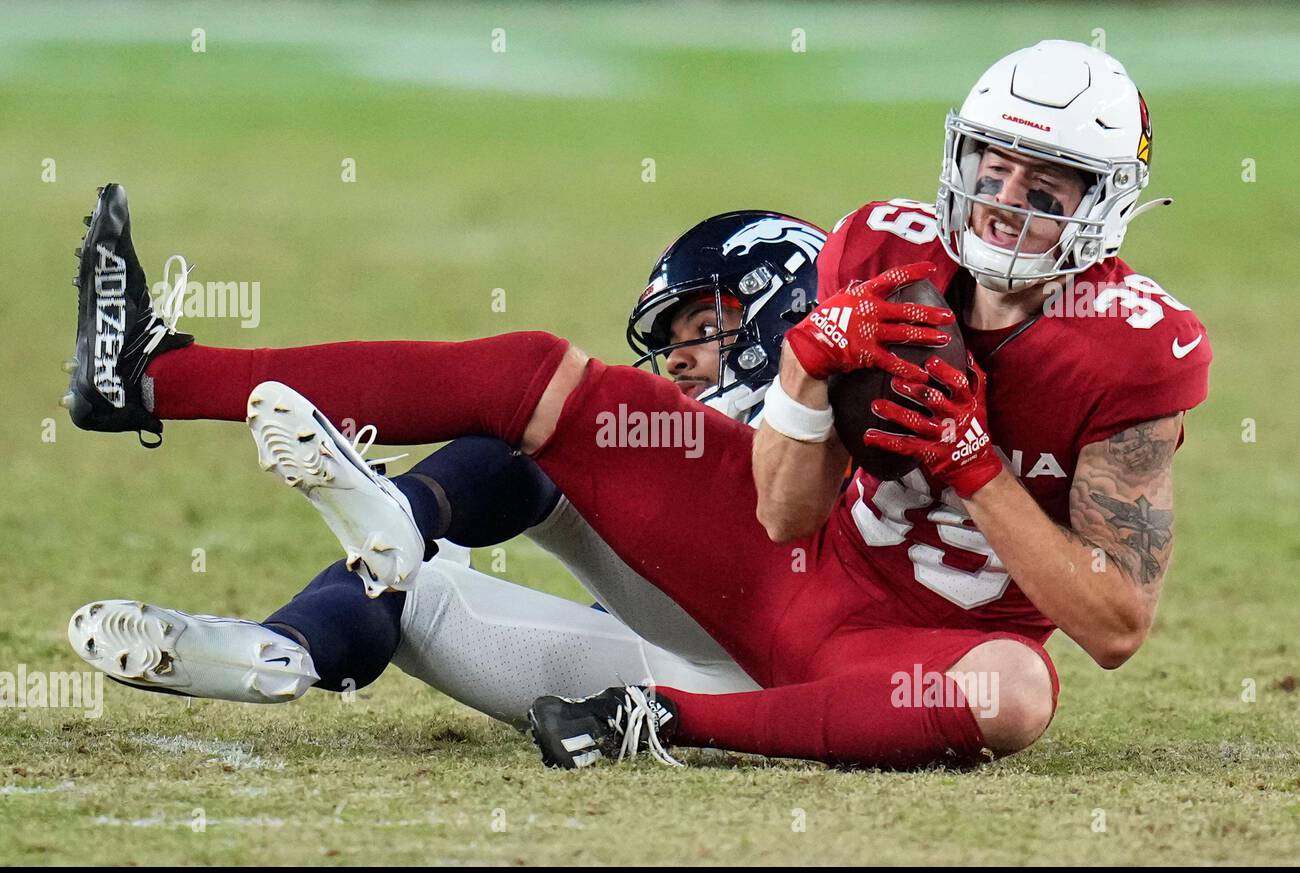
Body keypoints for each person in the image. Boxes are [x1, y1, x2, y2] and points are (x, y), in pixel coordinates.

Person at [64, 39, 1210, 771]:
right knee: (541, 382)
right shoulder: (884, 248)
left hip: (897, 652)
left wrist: (970, 463)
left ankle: (654, 716)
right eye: (990, 164)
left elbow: (1113, 626)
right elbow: (780, 511)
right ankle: (148, 378)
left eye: (1044, 183)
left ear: (1106, 203)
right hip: (790, 562)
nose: (1003, 200)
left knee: (1017, 691)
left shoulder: (1130, 350)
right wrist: (805, 371)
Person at [65, 207, 827, 723]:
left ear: (790, 312)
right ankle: (276, 651)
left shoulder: (859, 430)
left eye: (706, 326)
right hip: (691, 673)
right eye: (673, 340)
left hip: (789, 654)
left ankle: (169, 384)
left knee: (543, 438)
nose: (680, 359)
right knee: (413, 590)